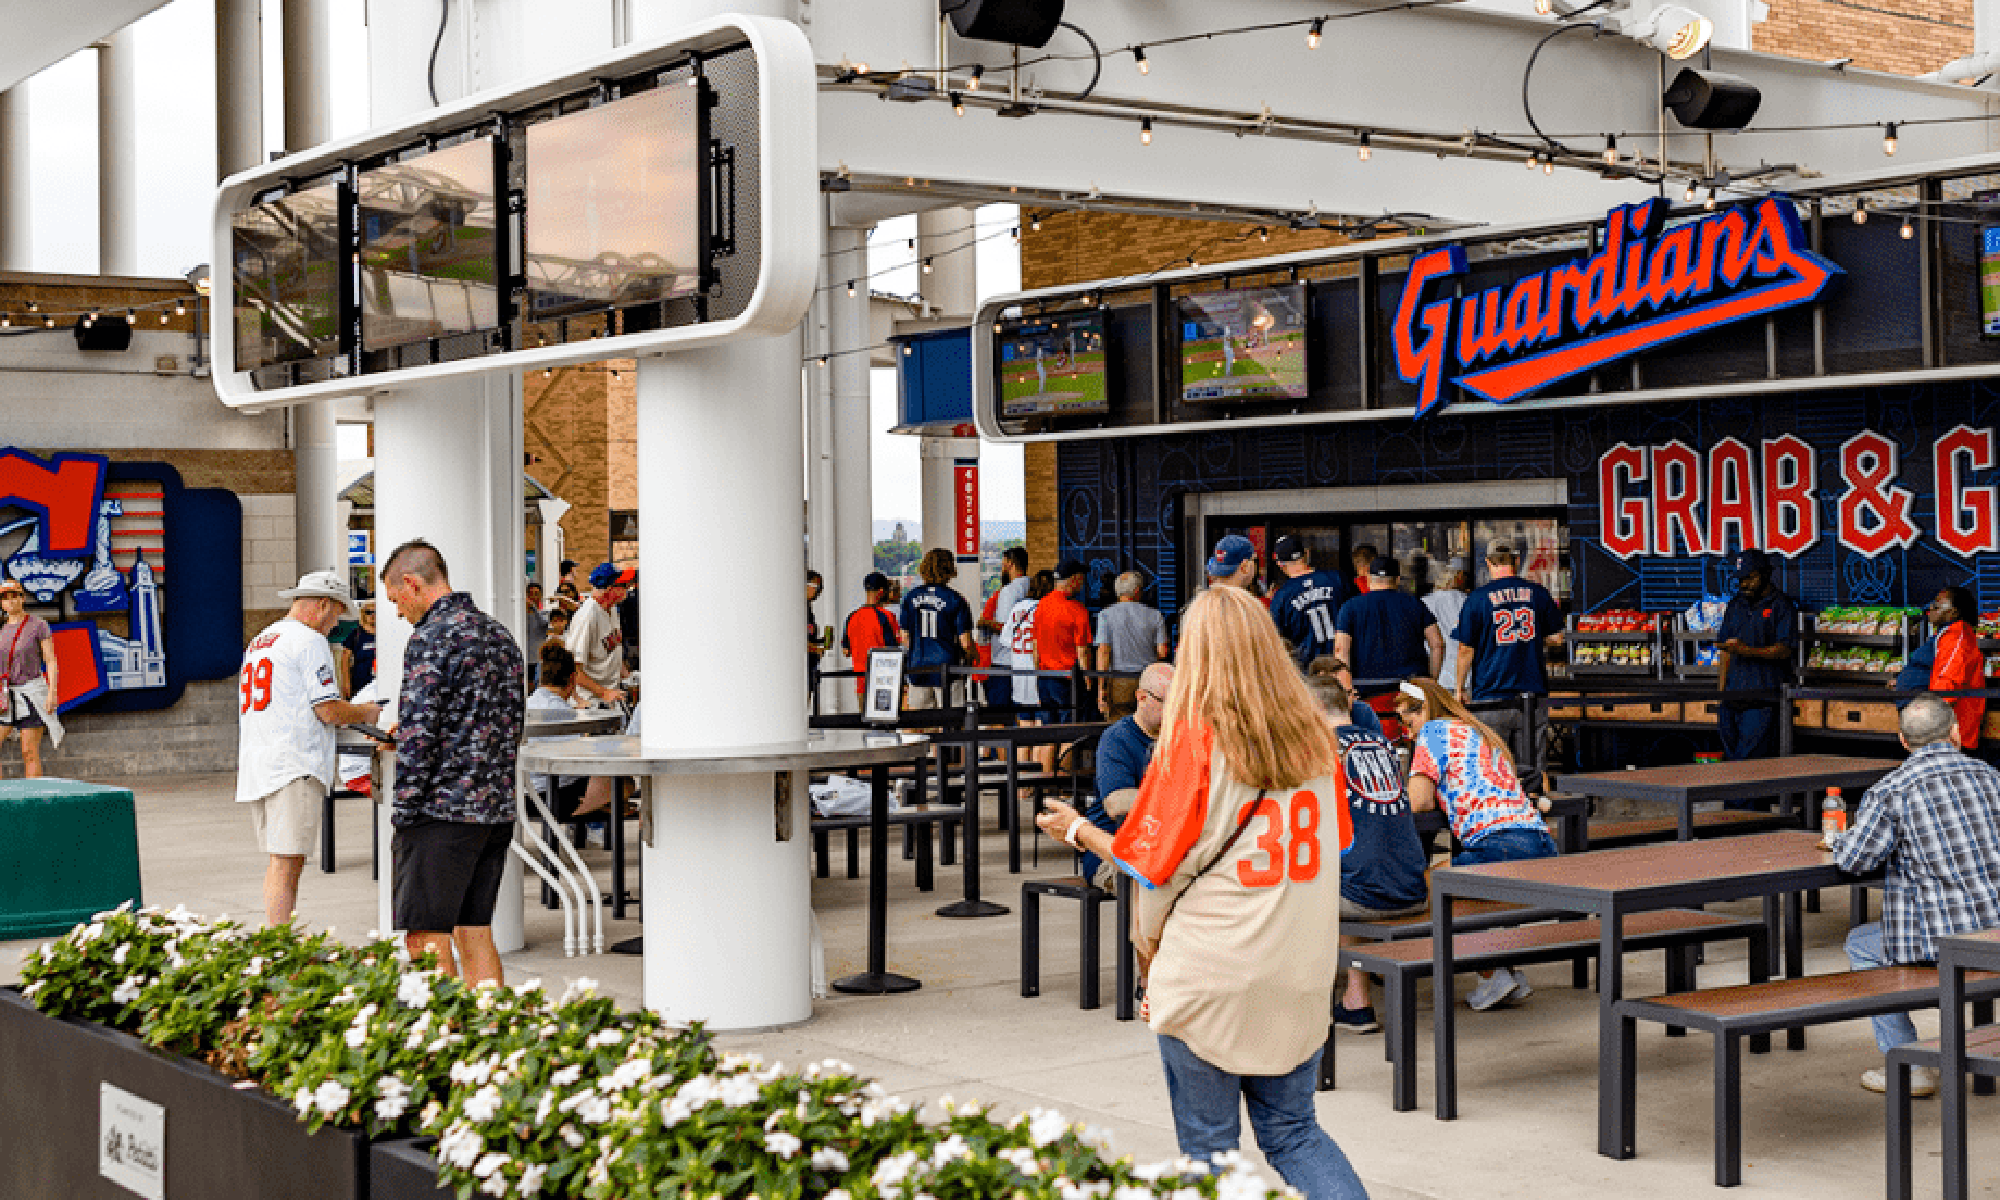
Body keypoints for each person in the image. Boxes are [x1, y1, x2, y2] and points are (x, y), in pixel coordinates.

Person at [1034, 586, 1366, 1200]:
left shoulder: (1192, 743)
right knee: (1296, 1135)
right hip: (1297, 971)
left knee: (1209, 1154)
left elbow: (1150, 870)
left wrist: (1079, 835)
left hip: (1210, 970)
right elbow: (1336, 845)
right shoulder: (1318, 743)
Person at [1833, 694, 2000, 1095]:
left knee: (1860, 943)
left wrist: (1838, 839)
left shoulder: (1891, 790)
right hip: (1995, 932)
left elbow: (1854, 860)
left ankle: (1910, 1065)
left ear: (1903, 741)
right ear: (1956, 732)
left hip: (1941, 943)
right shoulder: (1991, 776)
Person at [382, 539, 526, 987]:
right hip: (494, 807)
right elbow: (505, 721)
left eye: (396, 600)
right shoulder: (500, 635)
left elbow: (421, 736)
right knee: (474, 932)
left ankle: (443, 1027)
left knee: (425, 938)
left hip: (441, 811)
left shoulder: (430, 638)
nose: (398, 612)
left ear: (412, 584)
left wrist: (404, 812)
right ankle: (493, 1025)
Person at [1394, 676, 1557, 1011]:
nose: (1406, 731)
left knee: (1425, 888)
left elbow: (1419, 801)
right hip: (1540, 841)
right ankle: (1505, 969)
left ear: (1423, 710)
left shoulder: (1432, 733)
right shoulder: (1478, 731)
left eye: (1406, 721)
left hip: (1500, 843)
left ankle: (1489, 972)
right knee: (1465, 889)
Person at [235, 570, 383, 926]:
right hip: (294, 764)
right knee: (288, 863)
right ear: (323, 605)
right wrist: (368, 712)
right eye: (337, 615)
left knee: (280, 859)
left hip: (261, 762)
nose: (335, 626)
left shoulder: (262, 640)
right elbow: (328, 709)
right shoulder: (309, 641)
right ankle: (280, 942)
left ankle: (277, 937)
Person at [1310, 675, 1428, 1035]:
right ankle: (1356, 999)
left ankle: (1293, 1006)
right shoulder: (1383, 744)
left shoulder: (1318, 749)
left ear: (1312, 709)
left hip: (1366, 896)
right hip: (1412, 887)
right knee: (1353, 863)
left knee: (1292, 886)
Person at [1453, 543, 1565, 780]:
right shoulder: (1538, 593)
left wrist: (1459, 687)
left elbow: (1465, 649)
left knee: (1492, 770)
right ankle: (1535, 803)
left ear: (1488, 563)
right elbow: (1557, 638)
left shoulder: (1477, 598)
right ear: (1516, 561)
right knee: (1534, 770)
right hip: (1531, 694)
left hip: (1490, 695)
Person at [1076, 661, 1174, 888]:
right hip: (1110, 851)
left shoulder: (1180, 738)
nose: (1175, 712)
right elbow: (1117, 803)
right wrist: (1177, 800)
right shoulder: (1117, 738)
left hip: (1163, 848)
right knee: (1156, 885)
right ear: (1141, 697)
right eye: (1167, 703)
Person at [1716, 548, 1798, 763]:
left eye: (1750, 578)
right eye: (1740, 579)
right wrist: (1721, 695)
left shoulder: (1782, 605)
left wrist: (1747, 651)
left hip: (1763, 700)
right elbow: (1726, 652)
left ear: (1766, 574)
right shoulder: (1735, 605)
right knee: (1731, 763)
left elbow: (1785, 649)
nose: (1744, 584)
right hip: (1731, 699)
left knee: (1749, 763)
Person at [524, 642, 614, 821]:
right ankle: (595, 822)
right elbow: (581, 762)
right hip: (556, 797)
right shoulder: (566, 713)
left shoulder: (526, 705)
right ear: (572, 679)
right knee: (619, 781)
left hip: (523, 796)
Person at [1334, 557, 1443, 698]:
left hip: (1365, 688)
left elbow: (1340, 650)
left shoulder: (1350, 607)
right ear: (1397, 579)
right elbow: (1437, 643)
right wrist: (1431, 681)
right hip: (1410, 689)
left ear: (1368, 578)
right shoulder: (1415, 604)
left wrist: (1346, 688)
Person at [900, 548, 974, 709]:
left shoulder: (910, 597)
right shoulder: (956, 599)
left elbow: (904, 637)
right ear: (949, 569)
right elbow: (965, 642)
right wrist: (970, 657)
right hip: (948, 668)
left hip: (918, 667)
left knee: (921, 718)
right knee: (951, 718)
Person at [0, 578, 60, 777]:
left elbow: (50, 660)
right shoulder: (1, 628)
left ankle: (35, 796)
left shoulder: (38, 625)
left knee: (29, 751)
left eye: (14, 596)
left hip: (31, 693)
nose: (10, 601)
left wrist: (52, 692)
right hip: (6, 696)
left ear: (22, 598)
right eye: (5, 598)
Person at [1095, 570, 1170, 721]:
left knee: (1118, 724)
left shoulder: (1105, 615)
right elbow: (1163, 652)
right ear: (1137, 591)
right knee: (1148, 724)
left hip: (1118, 682)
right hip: (1148, 681)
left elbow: (1103, 652)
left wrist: (1101, 688)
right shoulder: (1155, 615)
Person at [1267, 535, 1347, 669]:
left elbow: (1276, 640)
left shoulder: (1281, 597)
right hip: (1341, 666)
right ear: (1306, 553)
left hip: (1307, 671)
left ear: (1279, 563)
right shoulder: (1337, 579)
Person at [1923, 585, 1984, 751]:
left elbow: (1948, 683)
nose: (1931, 608)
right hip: (1947, 731)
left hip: (1953, 733)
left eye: (1937, 605)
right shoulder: (1949, 634)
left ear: (1954, 612)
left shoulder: (1957, 637)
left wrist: (1928, 719)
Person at [565, 562, 633, 708]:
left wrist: (629, 678)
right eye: (624, 585)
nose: (628, 588)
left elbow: (612, 650)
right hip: (589, 701)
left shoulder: (612, 609)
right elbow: (572, 670)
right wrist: (604, 693)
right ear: (609, 588)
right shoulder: (587, 616)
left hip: (610, 696)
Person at [1035, 559, 1095, 723]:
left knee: (1048, 731)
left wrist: (1038, 674)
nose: (1082, 584)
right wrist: (1088, 681)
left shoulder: (1042, 605)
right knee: (1069, 731)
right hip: (1067, 680)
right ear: (1074, 579)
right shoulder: (1077, 609)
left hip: (1045, 677)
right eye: (1081, 579)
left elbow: (1036, 646)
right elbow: (1082, 651)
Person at [980, 547, 1032, 711]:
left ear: (1010, 564)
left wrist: (984, 623)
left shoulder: (1009, 590)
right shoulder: (1032, 586)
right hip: (1026, 661)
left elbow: (1004, 628)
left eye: (1003, 564)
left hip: (1004, 661)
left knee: (1000, 716)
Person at [841, 572, 902, 698]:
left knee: (863, 710)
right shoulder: (887, 616)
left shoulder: (851, 617)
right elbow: (893, 648)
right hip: (884, 681)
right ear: (882, 591)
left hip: (861, 681)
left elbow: (846, 651)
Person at [1002, 570, 1052, 718]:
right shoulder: (1047, 608)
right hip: (1041, 678)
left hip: (1019, 675)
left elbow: (1006, 639)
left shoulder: (1017, 608)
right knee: (1042, 726)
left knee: (1024, 725)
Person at [1306, 655, 1384, 737]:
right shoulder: (1302, 718)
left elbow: (1380, 742)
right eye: (1342, 693)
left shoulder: (1363, 712)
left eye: (1351, 692)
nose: (1352, 698)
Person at [1424, 559, 1471, 692]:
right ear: (1460, 577)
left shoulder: (1425, 602)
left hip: (1438, 676)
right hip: (1468, 676)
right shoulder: (1470, 601)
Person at [523, 584, 549, 685]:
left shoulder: (545, 613)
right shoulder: (521, 615)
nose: (533, 596)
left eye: (536, 594)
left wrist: (534, 609)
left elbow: (544, 624)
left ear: (541, 596)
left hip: (539, 657)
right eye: (530, 594)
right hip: (526, 656)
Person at [805, 569, 824, 696]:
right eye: (816, 587)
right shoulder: (799, 609)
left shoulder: (808, 608)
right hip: (804, 666)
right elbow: (797, 639)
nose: (818, 591)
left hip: (811, 663)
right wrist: (815, 649)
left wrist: (821, 641)